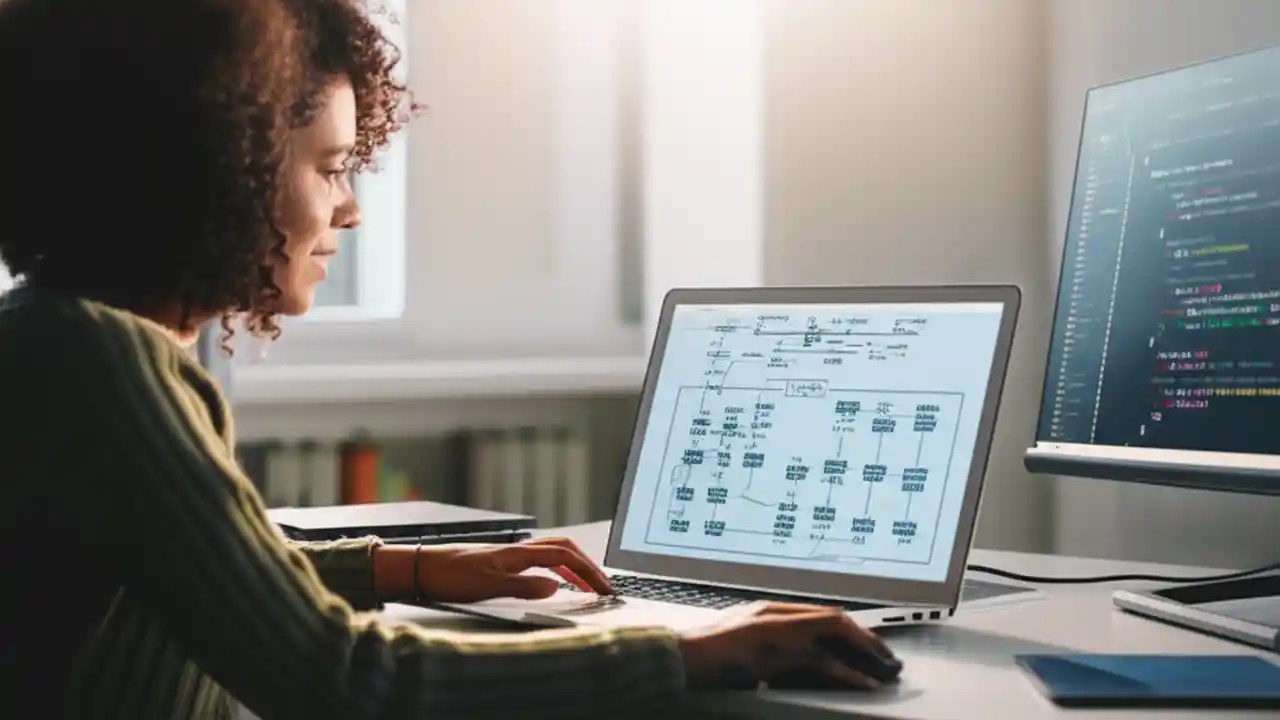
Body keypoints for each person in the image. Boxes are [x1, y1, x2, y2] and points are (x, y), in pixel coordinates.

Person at [0, 0, 896, 717]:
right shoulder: (103, 365)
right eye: (331, 167)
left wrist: (409, 568)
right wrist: (690, 651)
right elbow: (341, 680)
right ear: (213, 169)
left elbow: (184, 572)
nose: (348, 211)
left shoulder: (50, 336)